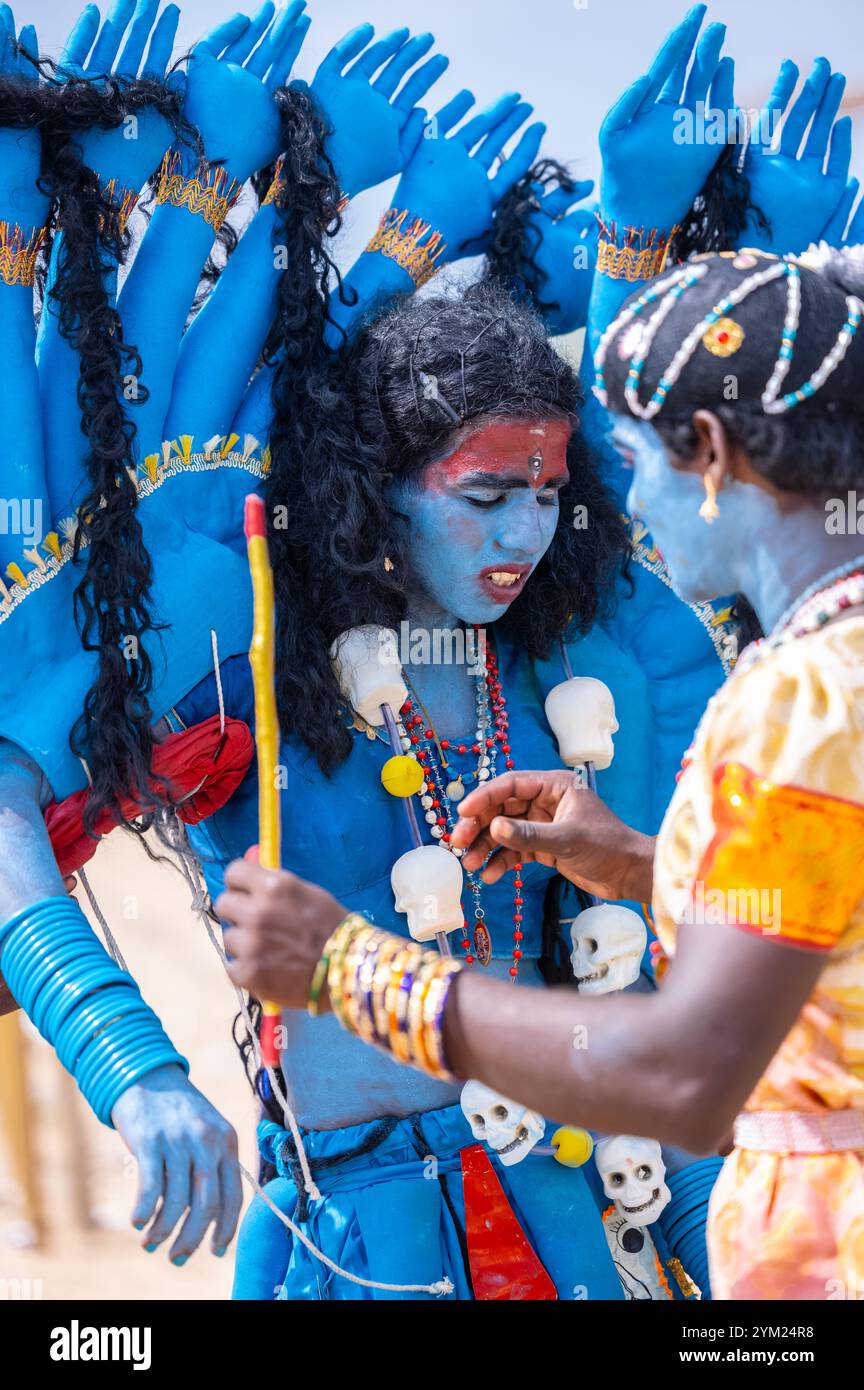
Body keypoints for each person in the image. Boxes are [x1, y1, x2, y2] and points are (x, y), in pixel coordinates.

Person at [217, 241, 864, 1301]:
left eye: (632, 463)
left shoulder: (801, 702)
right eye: (492, 497)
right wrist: (638, 864)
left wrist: (351, 969)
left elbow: (686, 1074)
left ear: (708, 447)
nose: (618, 511)